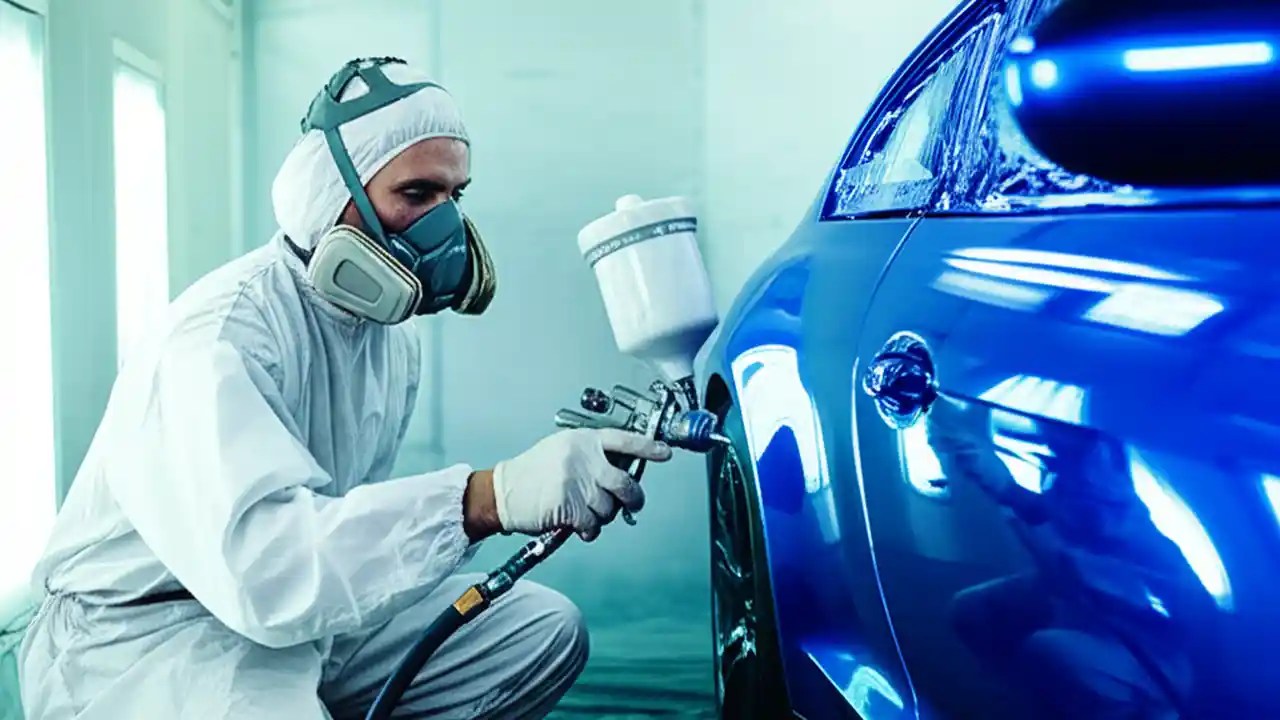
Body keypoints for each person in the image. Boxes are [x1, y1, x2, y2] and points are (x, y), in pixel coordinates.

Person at [18, 57, 671, 719]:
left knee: (539, 631)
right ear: (334, 194)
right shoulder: (221, 337)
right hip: (151, 634)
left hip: (300, 617)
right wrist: (488, 498)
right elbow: (265, 572)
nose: (444, 227)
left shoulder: (388, 339)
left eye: (455, 195)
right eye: (417, 194)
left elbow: (319, 545)